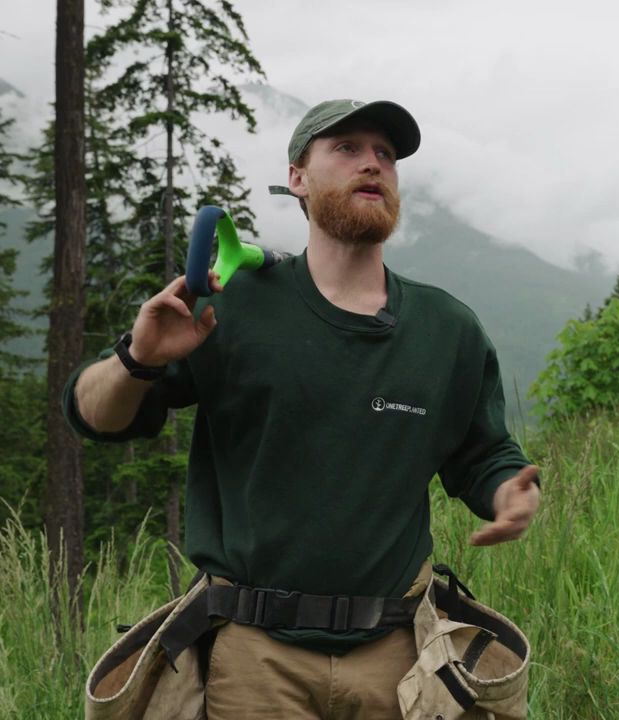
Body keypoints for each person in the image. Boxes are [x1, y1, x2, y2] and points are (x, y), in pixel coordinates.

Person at [64, 98, 540, 718]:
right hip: (254, 655)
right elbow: (94, 415)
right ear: (297, 178)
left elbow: (483, 454)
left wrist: (510, 490)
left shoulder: (445, 329)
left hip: (396, 654)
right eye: (347, 149)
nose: (372, 164)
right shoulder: (233, 303)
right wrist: (138, 357)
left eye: (386, 155)